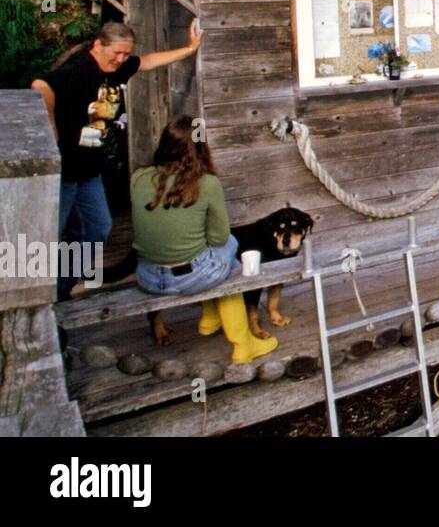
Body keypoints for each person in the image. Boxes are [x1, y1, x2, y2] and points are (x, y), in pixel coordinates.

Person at [31, 18, 203, 297]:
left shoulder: (116, 69)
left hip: (89, 171)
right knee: (49, 233)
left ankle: (61, 289)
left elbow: (146, 62)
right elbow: (41, 86)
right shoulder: (79, 70)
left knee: (98, 228)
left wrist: (189, 49)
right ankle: (36, 298)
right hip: (63, 169)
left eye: (126, 53)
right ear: (98, 45)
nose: (122, 59)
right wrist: (50, 131)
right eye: (117, 53)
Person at [131, 116, 277, 364]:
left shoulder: (138, 177)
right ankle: (242, 345)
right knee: (231, 247)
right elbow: (219, 238)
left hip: (148, 277)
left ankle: (210, 318)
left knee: (215, 255)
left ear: (164, 144)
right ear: (201, 146)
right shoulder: (207, 183)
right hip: (192, 276)